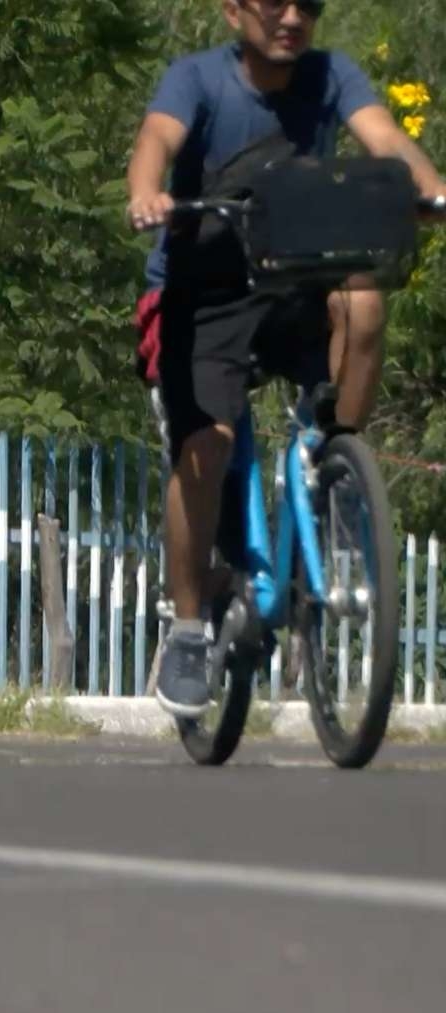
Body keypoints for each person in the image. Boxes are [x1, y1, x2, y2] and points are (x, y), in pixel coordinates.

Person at [126, 0, 446, 718]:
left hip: (293, 276)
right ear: (234, 9)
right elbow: (156, 136)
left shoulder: (333, 75)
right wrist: (147, 192)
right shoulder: (199, 78)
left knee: (362, 299)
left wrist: (430, 190)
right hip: (201, 294)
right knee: (206, 445)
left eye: (310, 4)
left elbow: (384, 138)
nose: (293, 17)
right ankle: (186, 629)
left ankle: (332, 462)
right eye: (276, 4)